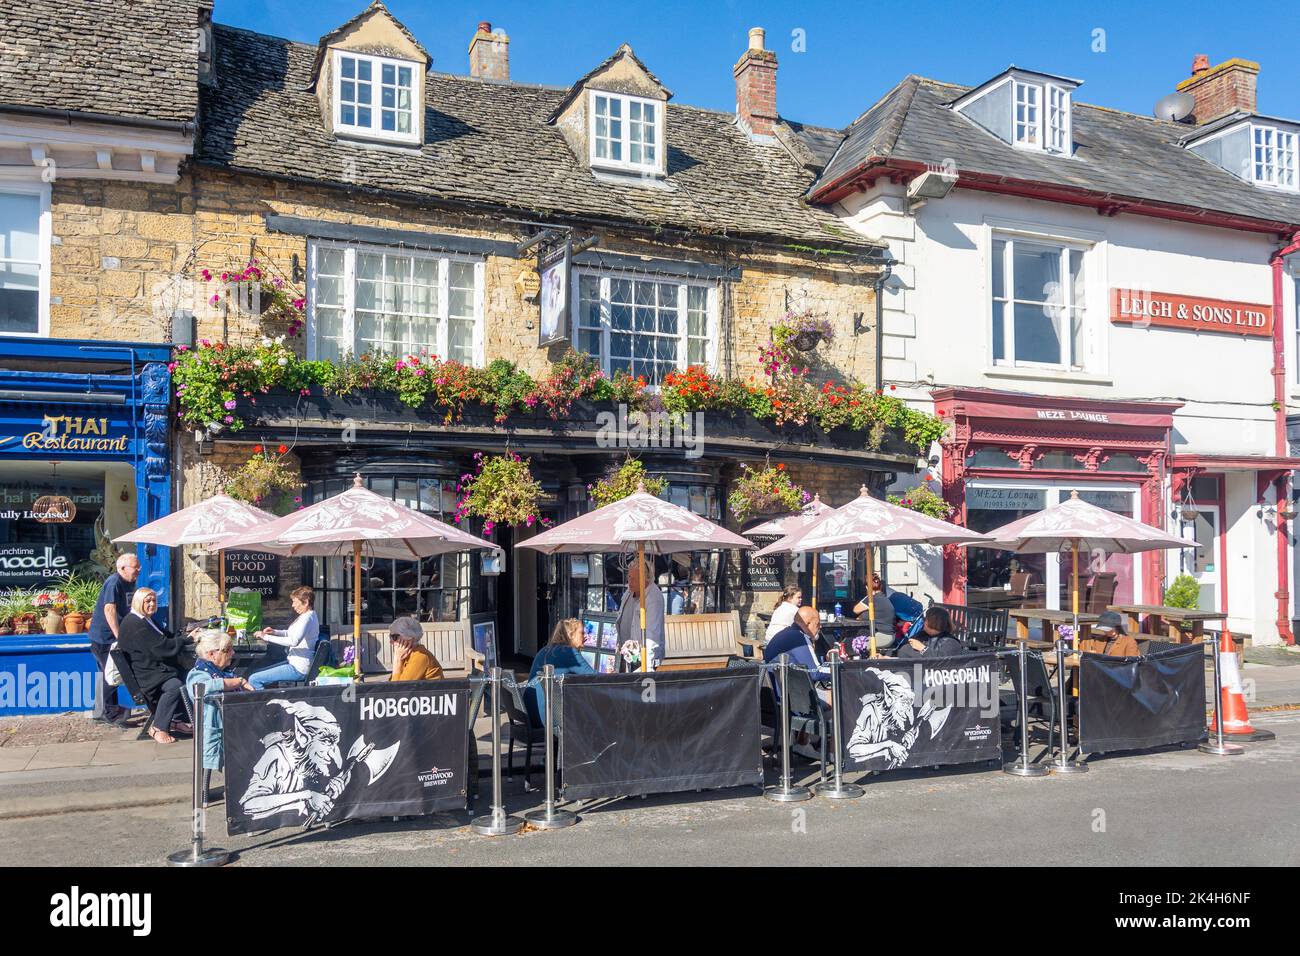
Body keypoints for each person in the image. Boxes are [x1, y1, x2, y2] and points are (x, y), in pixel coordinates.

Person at [117, 587, 191, 744]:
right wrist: (186, 640)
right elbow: (161, 647)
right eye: (147, 601)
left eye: (154, 600)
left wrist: (185, 635)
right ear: (138, 602)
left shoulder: (145, 619)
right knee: (175, 685)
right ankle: (158, 728)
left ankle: (176, 721)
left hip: (150, 667)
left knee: (186, 672)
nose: (152, 604)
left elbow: (164, 636)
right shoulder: (135, 623)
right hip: (146, 675)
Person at [186, 629, 253, 773]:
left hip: (233, 728)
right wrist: (238, 681)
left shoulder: (223, 672)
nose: (232, 653)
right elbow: (204, 688)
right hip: (215, 734)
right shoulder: (198, 674)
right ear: (211, 654)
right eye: (227, 650)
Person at [88, 552, 139, 726]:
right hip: (104, 638)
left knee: (107, 673)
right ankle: (108, 713)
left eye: (139, 566)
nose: (138, 570)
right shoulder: (114, 582)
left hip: (112, 636)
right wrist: (119, 637)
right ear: (123, 568)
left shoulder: (129, 583)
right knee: (112, 673)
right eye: (135, 567)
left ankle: (103, 710)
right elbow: (109, 610)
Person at [525, 618, 595, 727]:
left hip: (530, 714)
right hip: (547, 718)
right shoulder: (569, 652)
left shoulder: (544, 650)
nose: (585, 636)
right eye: (582, 633)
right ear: (571, 635)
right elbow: (594, 678)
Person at [250, 586, 319, 690]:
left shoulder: (307, 618)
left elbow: (293, 641)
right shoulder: (308, 616)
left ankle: (267, 705)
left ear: (305, 602)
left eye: (295, 602)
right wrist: (275, 632)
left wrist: (266, 637)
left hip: (298, 668)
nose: (293, 605)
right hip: (294, 663)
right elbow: (291, 633)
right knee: (256, 673)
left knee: (254, 679)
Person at [617, 559, 665, 670]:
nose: (630, 581)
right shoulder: (629, 591)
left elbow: (652, 634)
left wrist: (647, 667)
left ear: (644, 579)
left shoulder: (653, 598)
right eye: (629, 577)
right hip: (627, 654)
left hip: (644, 658)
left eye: (634, 579)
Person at [763, 606, 829, 682]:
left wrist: (825, 660)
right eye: (817, 623)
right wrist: (839, 669)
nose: (820, 626)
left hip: (774, 689)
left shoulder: (786, 633)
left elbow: (808, 663)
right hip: (786, 691)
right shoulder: (799, 637)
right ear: (808, 624)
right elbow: (815, 673)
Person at [895, 606, 966, 659]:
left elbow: (943, 662)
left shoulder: (950, 642)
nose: (923, 622)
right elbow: (904, 652)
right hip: (913, 672)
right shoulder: (922, 635)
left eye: (925, 619)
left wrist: (923, 649)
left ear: (932, 623)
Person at [388, 615, 444, 681]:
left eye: (394, 637)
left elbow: (398, 688)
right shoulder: (407, 655)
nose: (391, 641)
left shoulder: (420, 656)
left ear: (409, 638)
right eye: (390, 636)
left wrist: (397, 660)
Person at [852, 573, 897, 641]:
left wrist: (869, 595)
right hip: (890, 636)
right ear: (880, 586)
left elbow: (856, 610)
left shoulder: (872, 599)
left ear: (867, 587)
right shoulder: (883, 598)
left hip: (881, 636)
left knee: (855, 643)